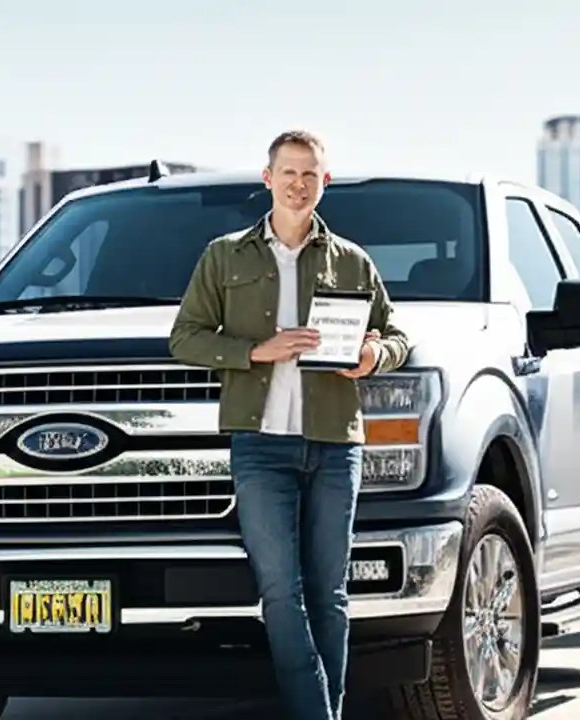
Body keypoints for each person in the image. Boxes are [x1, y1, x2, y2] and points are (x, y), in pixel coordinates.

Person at [169, 130, 410, 720]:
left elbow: (398, 335)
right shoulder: (225, 256)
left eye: (311, 175)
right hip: (260, 448)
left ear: (324, 183)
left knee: (329, 596)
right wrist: (257, 349)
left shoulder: (353, 261)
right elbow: (185, 339)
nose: (299, 185)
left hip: (335, 446)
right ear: (267, 178)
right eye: (289, 173)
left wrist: (376, 356)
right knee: (280, 594)